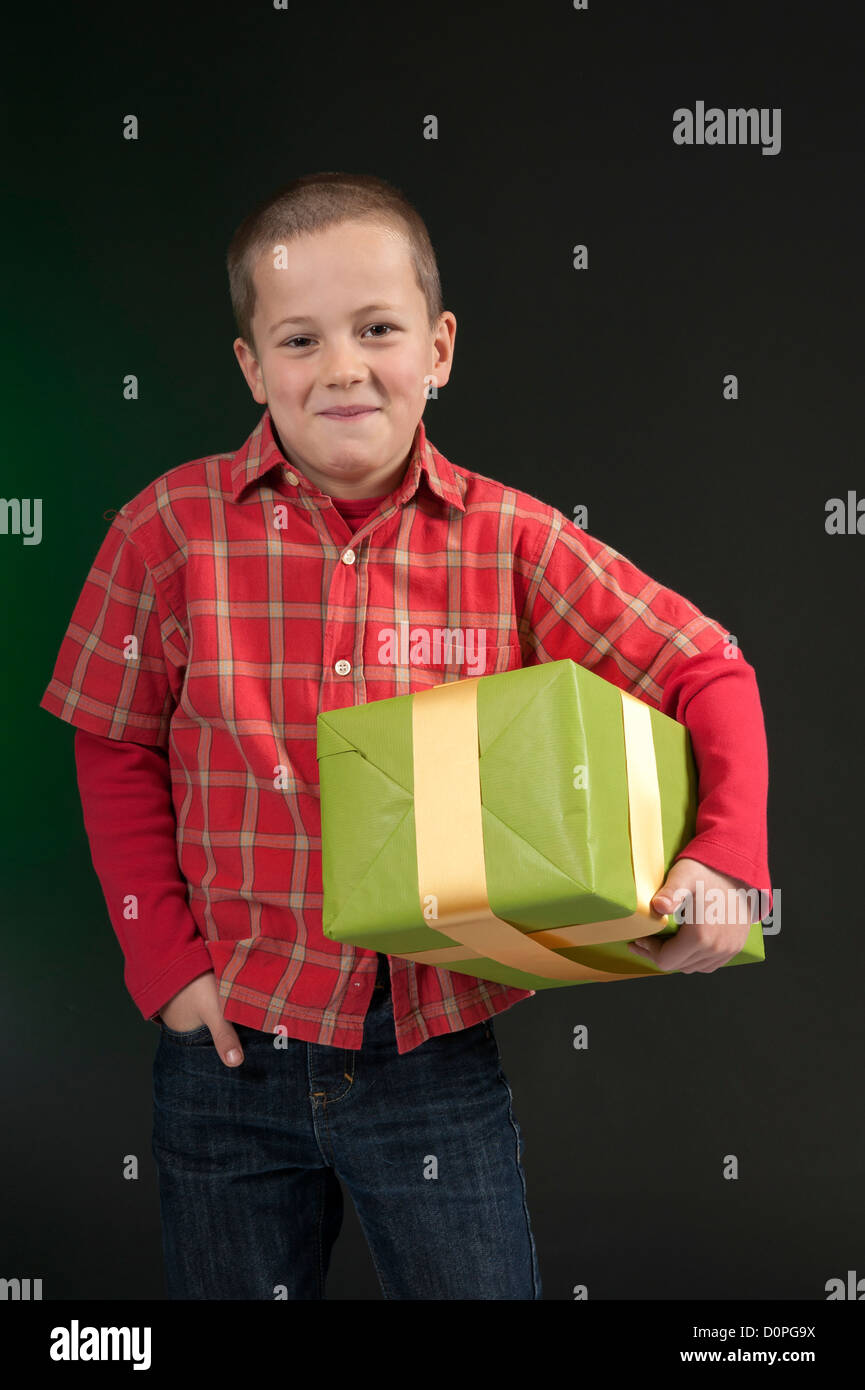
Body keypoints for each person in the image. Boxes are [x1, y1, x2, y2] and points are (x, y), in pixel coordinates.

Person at [39, 171, 771, 1300]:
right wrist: (163, 964)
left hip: (428, 1056)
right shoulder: (167, 533)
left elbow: (703, 665)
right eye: (299, 338)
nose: (341, 367)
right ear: (252, 367)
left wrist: (725, 855)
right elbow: (113, 742)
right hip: (227, 1049)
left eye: (376, 329)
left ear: (437, 348)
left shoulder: (512, 541)